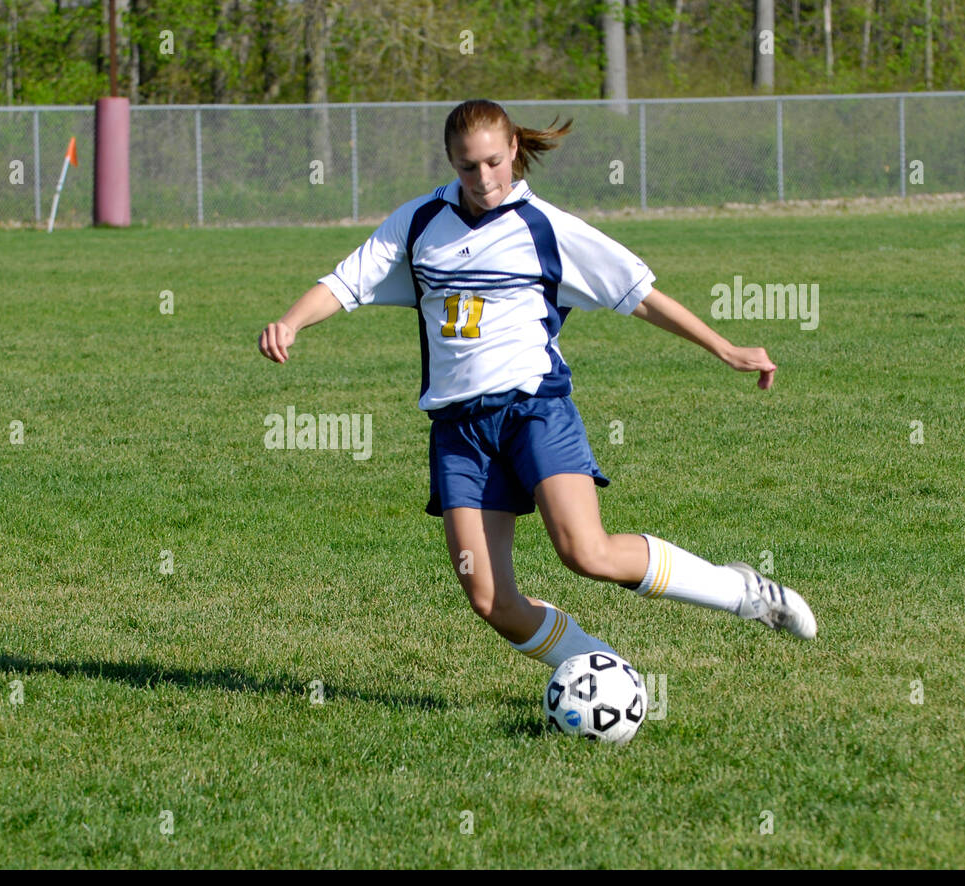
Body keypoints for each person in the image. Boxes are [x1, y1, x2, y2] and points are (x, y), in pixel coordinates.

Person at [258, 98, 816, 678]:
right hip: (458, 431)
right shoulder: (419, 220)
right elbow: (347, 281)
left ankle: (743, 592)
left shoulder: (544, 226)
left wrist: (723, 347)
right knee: (490, 600)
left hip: (534, 409)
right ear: (450, 161)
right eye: (468, 166)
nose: (483, 178)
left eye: (494, 162)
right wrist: (292, 321)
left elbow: (639, 295)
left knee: (585, 552)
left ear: (514, 151)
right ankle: (596, 671)